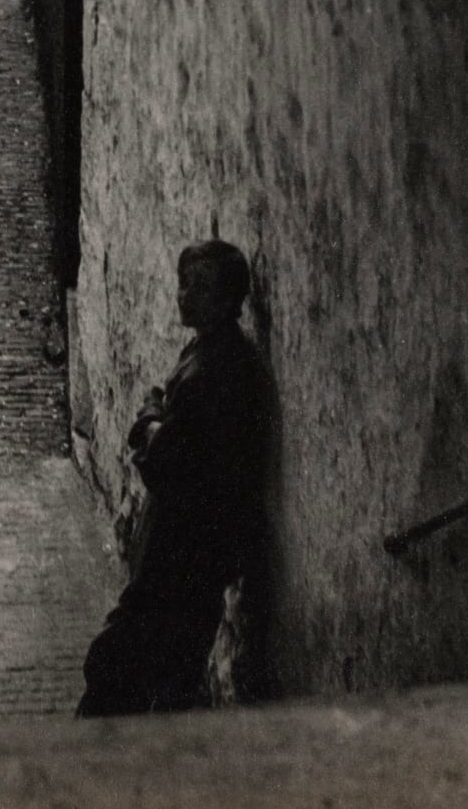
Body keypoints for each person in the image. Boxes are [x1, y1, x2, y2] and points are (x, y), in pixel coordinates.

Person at [76, 237, 272, 716]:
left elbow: (161, 455)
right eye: (184, 284)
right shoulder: (212, 349)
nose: (184, 296)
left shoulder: (214, 371)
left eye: (200, 288)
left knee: (122, 659)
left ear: (227, 299)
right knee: (166, 662)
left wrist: (150, 417)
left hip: (183, 549)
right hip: (190, 547)